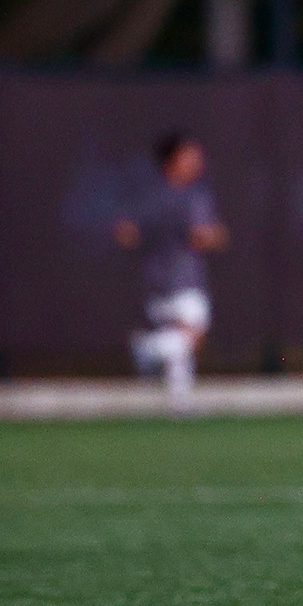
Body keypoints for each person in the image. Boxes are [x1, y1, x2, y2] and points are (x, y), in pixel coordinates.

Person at [114, 131, 226, 413]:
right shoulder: (194, 196)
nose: (197, 161)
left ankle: (180, 403)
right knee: (192, 334)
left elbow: (126, 231)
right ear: (173, 159)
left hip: (154, 280)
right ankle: (148, 349)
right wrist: (216, 235)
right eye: (190, 155)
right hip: (184, 279)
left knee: (180, 343)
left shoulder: (148, 195)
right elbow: (201, 235)